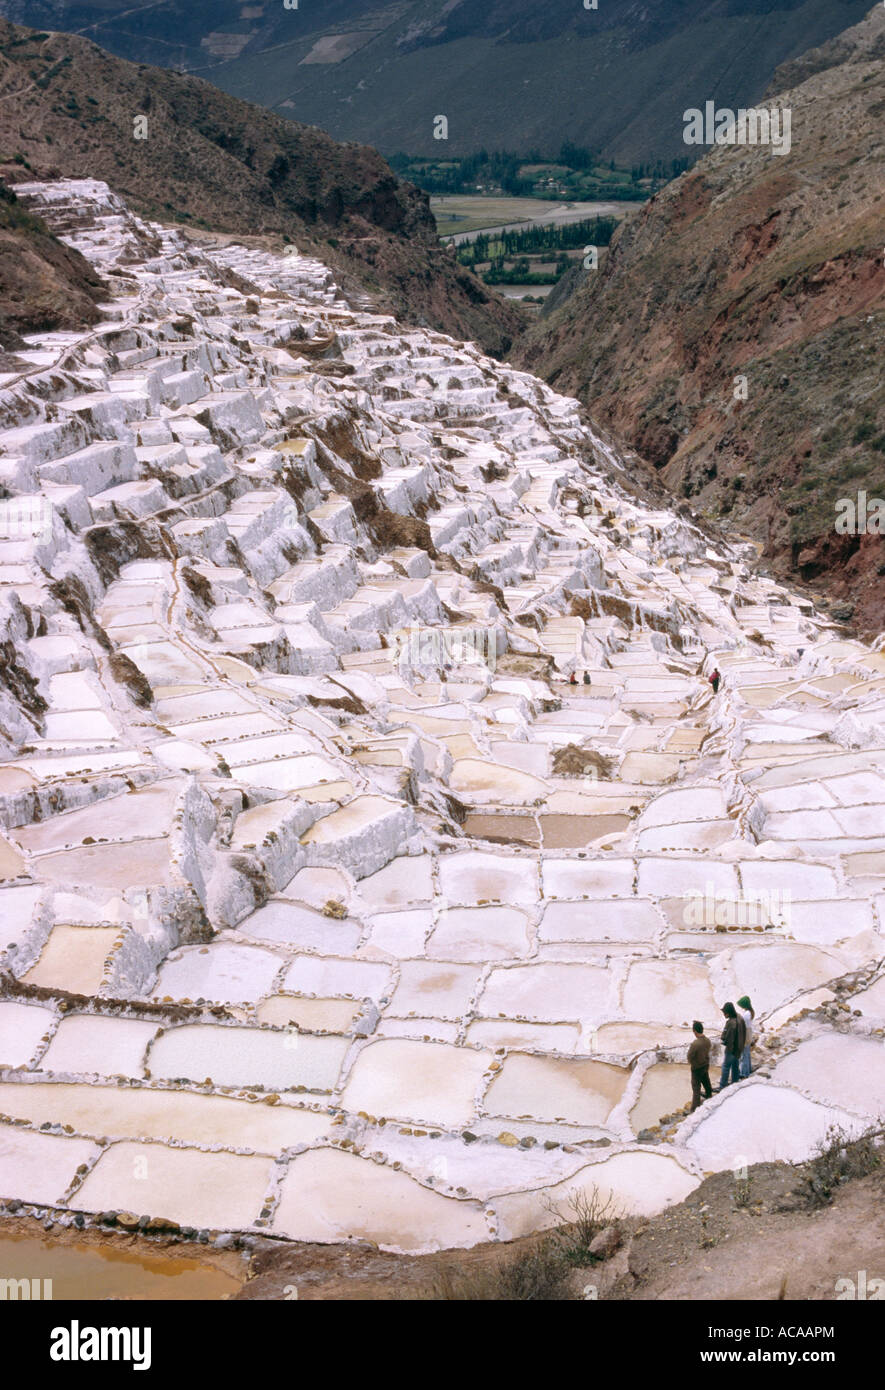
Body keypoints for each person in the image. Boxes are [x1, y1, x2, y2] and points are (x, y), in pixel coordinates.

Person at [718, 1002, 746, 1090]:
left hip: (732, 1049)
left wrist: (726, 1046)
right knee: (735, 1065)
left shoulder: (731, 1023)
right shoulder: (739, 1017)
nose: (723, 1014)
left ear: (728, 1012)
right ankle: (735, 1082)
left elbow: (729, 1039)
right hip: (739, 1047)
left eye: (724, 1012)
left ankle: (722, 1086)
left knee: (726, 1066)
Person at [688, 1020, 713, 1112]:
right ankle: (709, 1094)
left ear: (695, 1031)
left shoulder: (695, 1044)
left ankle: (694, 1108)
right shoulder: (707, 1041)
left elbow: (689, 1056)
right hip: (705, 1064)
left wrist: (693, 1063)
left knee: (696, 1088)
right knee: (706, 1080)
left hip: (696, 1068)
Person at [737, 995, 755, 1078]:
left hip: (745, 1033)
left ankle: (744, 1073)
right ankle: (748, 1069)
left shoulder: (746, 1015)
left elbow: (742, 1025)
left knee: (744, 1054)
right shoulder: (750, 1012)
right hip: (749, 1032)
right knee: (747, 1053)